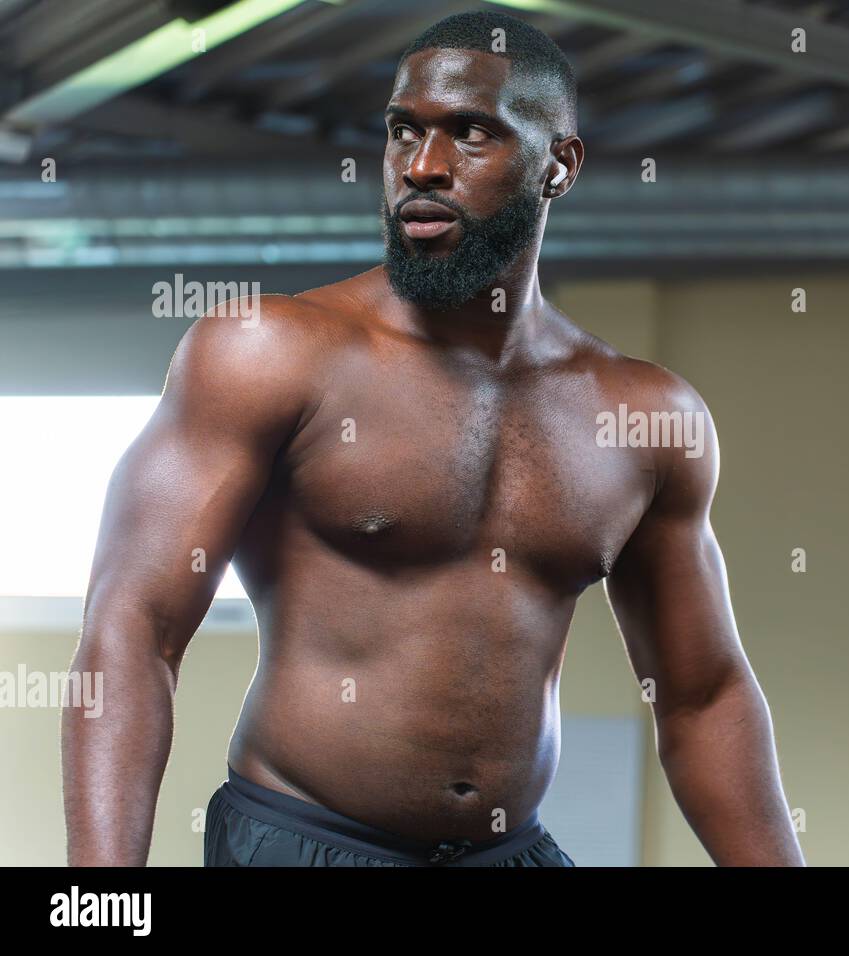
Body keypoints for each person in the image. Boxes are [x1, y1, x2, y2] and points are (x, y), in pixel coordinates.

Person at [62, 9, 804, 867]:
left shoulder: (643, 417)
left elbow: (703, 696)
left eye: (471, 134)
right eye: (403, 131)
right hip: (306, 842)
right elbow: (132, 628)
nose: (422, 167)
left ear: (558, 165)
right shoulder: (268, 353)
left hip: (510, 852)